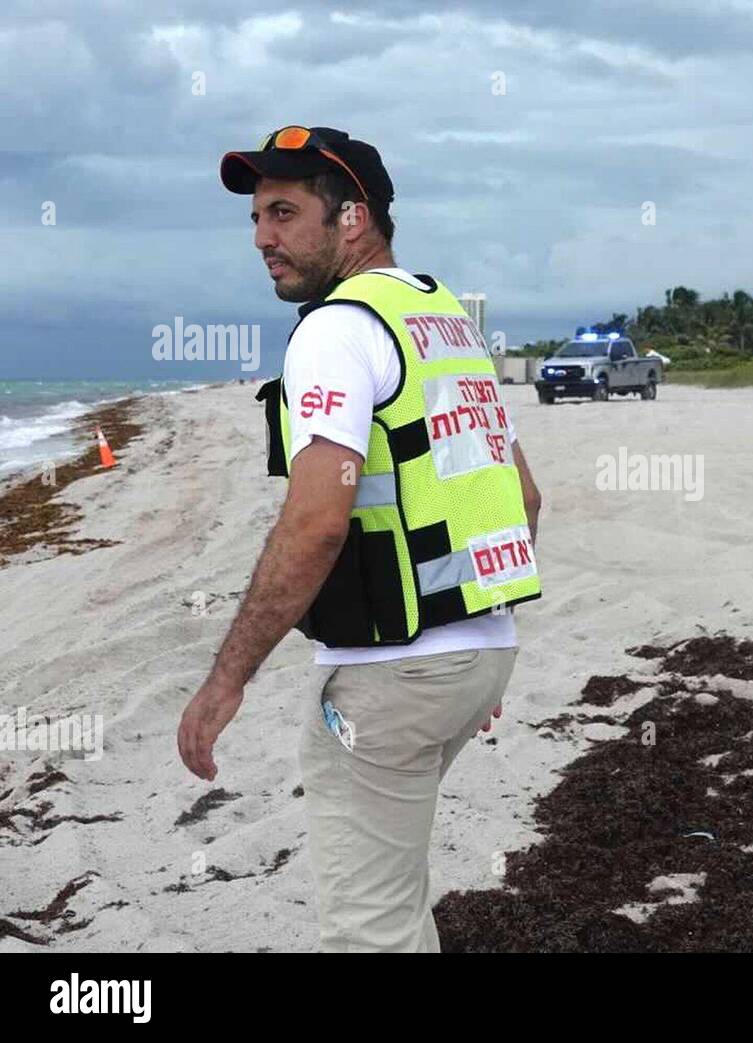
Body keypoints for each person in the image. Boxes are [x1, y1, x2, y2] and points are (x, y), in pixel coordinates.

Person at [177, 125, 542, 952]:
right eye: (257, 219)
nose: (263, 238)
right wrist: (481, 646)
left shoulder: (337, 329)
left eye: (283, 212)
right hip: (476, 653)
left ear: (352, 219)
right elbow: (521, 494)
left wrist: (225, 678)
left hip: (390, 676)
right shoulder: (443, 318)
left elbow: (314, 524)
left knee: (369, 929)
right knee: (397, 900)